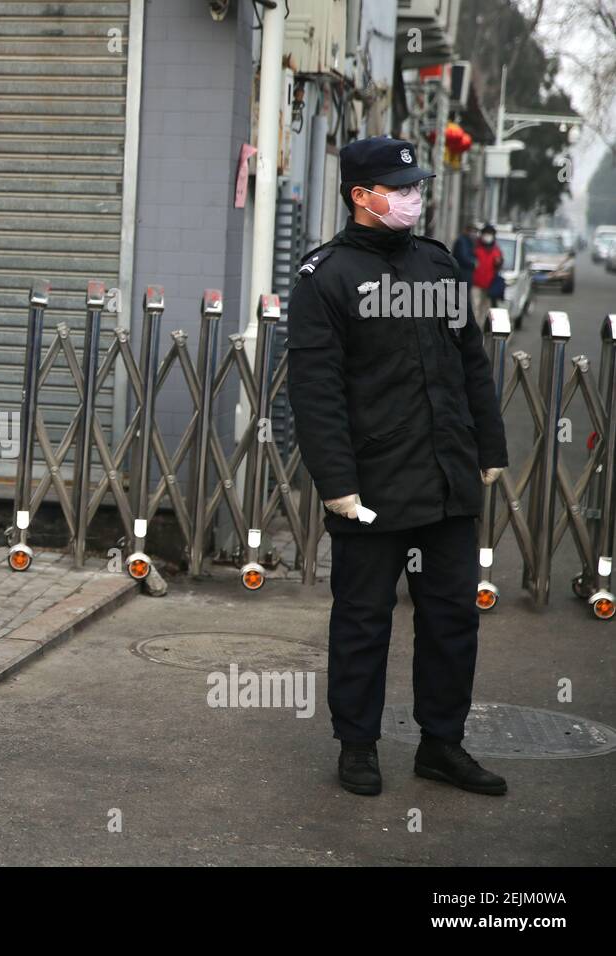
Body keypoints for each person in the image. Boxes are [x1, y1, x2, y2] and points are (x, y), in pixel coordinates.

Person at [286, 136, 510, 798]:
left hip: (446, 479)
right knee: (363, 619)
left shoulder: (438, 267)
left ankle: (442, 744)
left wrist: (489, 449)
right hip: (372, 484)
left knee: (452, 619)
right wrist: (337, 484)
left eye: (416, 187)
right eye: (401, 188)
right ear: (362, 196)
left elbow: (471, 363)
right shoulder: (325, 277)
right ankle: (357, 745)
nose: (414, 198)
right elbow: (315, 390)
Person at [471, 224, 503, 320]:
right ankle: (473, 331)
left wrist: (498, 262)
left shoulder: (496, 250)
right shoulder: (476, 247)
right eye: (486, 234)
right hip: (476, 283)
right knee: (475, 307)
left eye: (490, 234)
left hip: (489, 285)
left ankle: (482, 331)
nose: (488, 236)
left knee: (486, 310)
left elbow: (499, 265)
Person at [452, 222, 477, 287]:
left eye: (474, 232)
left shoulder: (469, 241)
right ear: (466, 230)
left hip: (465, 276)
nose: (473, 234)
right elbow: (463, 257)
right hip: (462, 275)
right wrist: (474, 263)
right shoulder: (462, 241)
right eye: (471, 231)